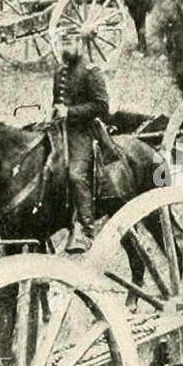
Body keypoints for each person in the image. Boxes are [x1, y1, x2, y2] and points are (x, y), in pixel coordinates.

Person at [52, 30, 110, 252]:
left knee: (76, 175)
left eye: (69, 42)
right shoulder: (59, 70)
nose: (65, 47)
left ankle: (86, 230)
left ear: (80, 43)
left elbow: (102, 106)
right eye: (62, 42)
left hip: (83, 132)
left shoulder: (90, 71)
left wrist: (71, 112)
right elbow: (56, 101)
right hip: (59, 130)